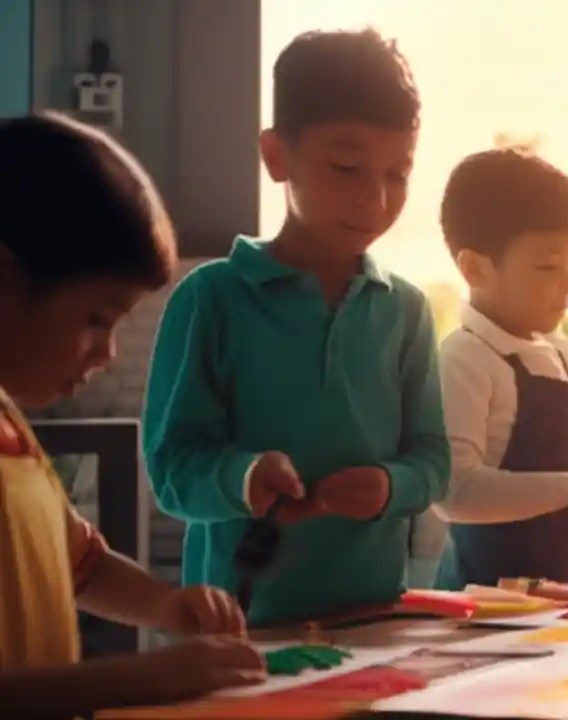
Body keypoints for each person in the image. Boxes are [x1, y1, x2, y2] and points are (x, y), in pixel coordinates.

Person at [144, 29, 450, 626]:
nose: (375, 198)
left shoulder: (405, 311)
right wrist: (243, 476)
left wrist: (390, 486)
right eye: (346, 166)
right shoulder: (212, 300)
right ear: (275, 155)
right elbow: (173, 470)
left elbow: (433, 460)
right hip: (239, 628)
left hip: (375, 622)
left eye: (398, 174)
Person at [0, 113, 264, 716]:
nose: (109, 352)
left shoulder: (10, 425)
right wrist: (139, 680)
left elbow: (82, 567)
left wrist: (167, 606)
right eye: (97, 318)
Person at [421, 148, 568, 591]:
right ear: (474, 268)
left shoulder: (556, 353)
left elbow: (554, 482)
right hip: (481, 609)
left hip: (551, 602)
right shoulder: (466, 359)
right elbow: (455, 492)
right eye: (548, 265)